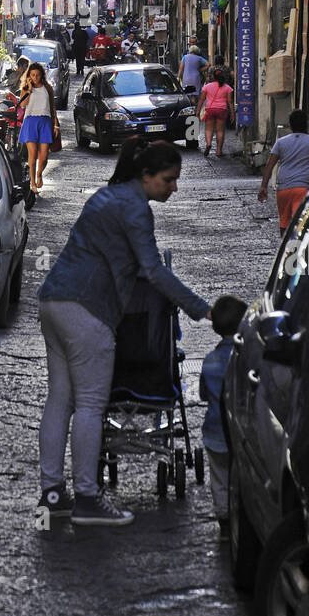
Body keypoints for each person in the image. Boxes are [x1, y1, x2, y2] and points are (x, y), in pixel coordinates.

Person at [37, 137, 211, 527]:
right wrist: (201, 307)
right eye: (168, 180)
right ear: (146, 176)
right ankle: (86, 498)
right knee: (90, 406)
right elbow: (152, 269)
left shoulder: (105, 196)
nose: (174, 187)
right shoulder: (135, 208)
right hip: (88, 311)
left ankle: (52, 494)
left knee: (59, 402)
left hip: (53, 301)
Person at [199, 295, 247, 530]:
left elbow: (203, 394)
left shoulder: (209, 361)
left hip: (215, 430)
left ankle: (223, 515)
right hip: (241, 429)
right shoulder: (246, 358)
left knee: (219, 475)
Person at [257, 109, 309, 233]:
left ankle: (285, 249)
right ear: (306, 124)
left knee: (284, 223)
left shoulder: (281, 143)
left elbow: (270, 165)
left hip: (283, 190)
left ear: (290, 125)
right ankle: (300, 250)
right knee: (301, 223)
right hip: (303, 188)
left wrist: (263, 186)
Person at [18, 62, 59, 194]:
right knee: (32, 155)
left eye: (37, 75)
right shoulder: (25, 88)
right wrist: (29, 89)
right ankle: (32, 182)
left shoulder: (47, 88)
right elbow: (23, 105)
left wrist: (55, 124)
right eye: (32, 75)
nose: (35, 77)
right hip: (30, 122)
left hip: (45, 121)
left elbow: (52, 106)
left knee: (44, 156)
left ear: (41, 75)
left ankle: (39, 173)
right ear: (29, 75)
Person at [198, 68, 235, 158]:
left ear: (213, 77)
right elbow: (230, 101)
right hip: (222, 110)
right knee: (220, 131)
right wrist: (233, 113)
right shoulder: (227, 88)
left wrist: (198, 110)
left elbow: (202, 99)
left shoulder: (207, 86)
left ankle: (209, 144)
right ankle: (218, 151)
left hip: (210, 109)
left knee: (208, 129)